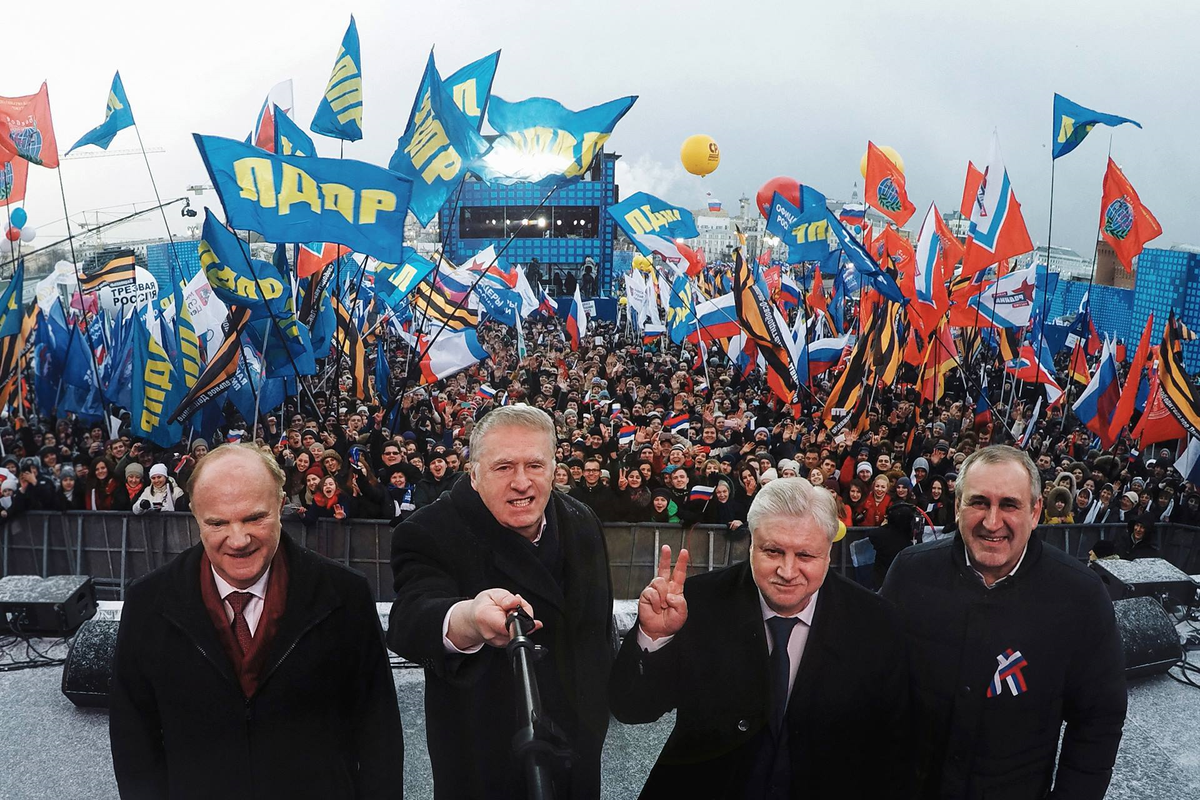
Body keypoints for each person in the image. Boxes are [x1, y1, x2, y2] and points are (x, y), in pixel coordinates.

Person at [109, 443, 404, 799]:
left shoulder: (345, 596)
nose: (238, 540)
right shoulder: (148, 604)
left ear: (281, 505)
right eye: (217, 523)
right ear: (195, 517)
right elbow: (134, 742)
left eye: (254, 518)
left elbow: (378, 733)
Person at [608, 477, 911, 798]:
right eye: (773, 551)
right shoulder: (696, 602)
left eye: (805, 555)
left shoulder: (876, 623)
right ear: (751, 544)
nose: (788, 570)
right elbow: (632, 709)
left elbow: (892, 748)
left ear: (828, 552)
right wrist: (654, 637)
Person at [388, 405, 614, 799]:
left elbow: (595, 635)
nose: (522, 482)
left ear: (555, 467)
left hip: (577, 756)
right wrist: (470, 618)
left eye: (535, 465)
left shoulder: (582, 520)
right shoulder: (428, 529)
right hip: (484, 763)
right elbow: (412, 617)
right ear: (474, 473)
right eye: (504, 467)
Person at [881, 445, 1127, 800]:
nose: (992, 522)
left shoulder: (1080, 595)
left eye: (1009, 505)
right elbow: (875, 687)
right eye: (979, 502)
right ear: (958, 505)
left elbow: (1099, 719)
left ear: (1036, 510)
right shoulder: (910, 572)